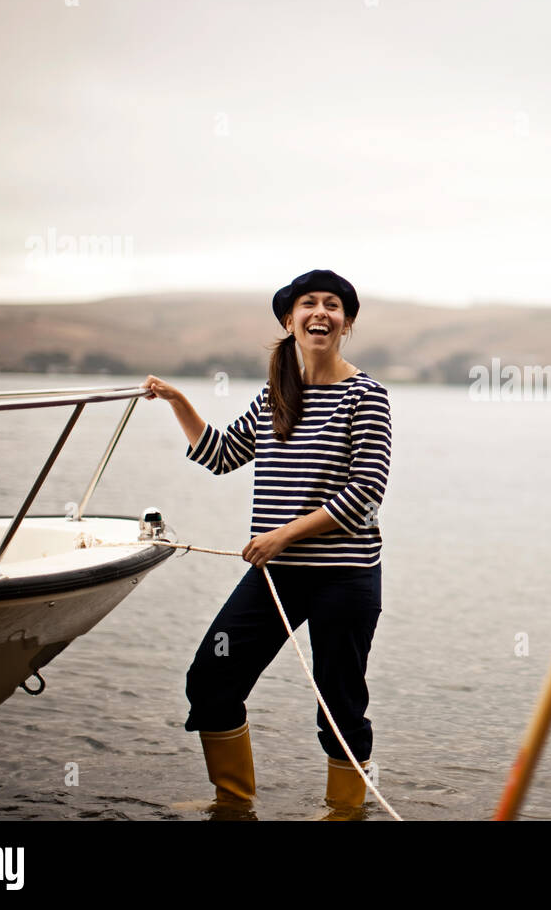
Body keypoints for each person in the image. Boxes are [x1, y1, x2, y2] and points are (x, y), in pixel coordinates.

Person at [143, 269, 392, 819]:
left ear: (346, 324)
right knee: (211, 679)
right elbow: (220, 454)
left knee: (339, 706)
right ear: (290, 319)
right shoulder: (276, 395)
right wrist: (178, 401)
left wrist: (282, 535)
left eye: (333, 305)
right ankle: (234, 805)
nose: (320, 312)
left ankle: (345, 812)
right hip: (277, 575)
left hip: (344, 578)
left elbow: (367, 494)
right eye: (309, 304)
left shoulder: (366, 395)